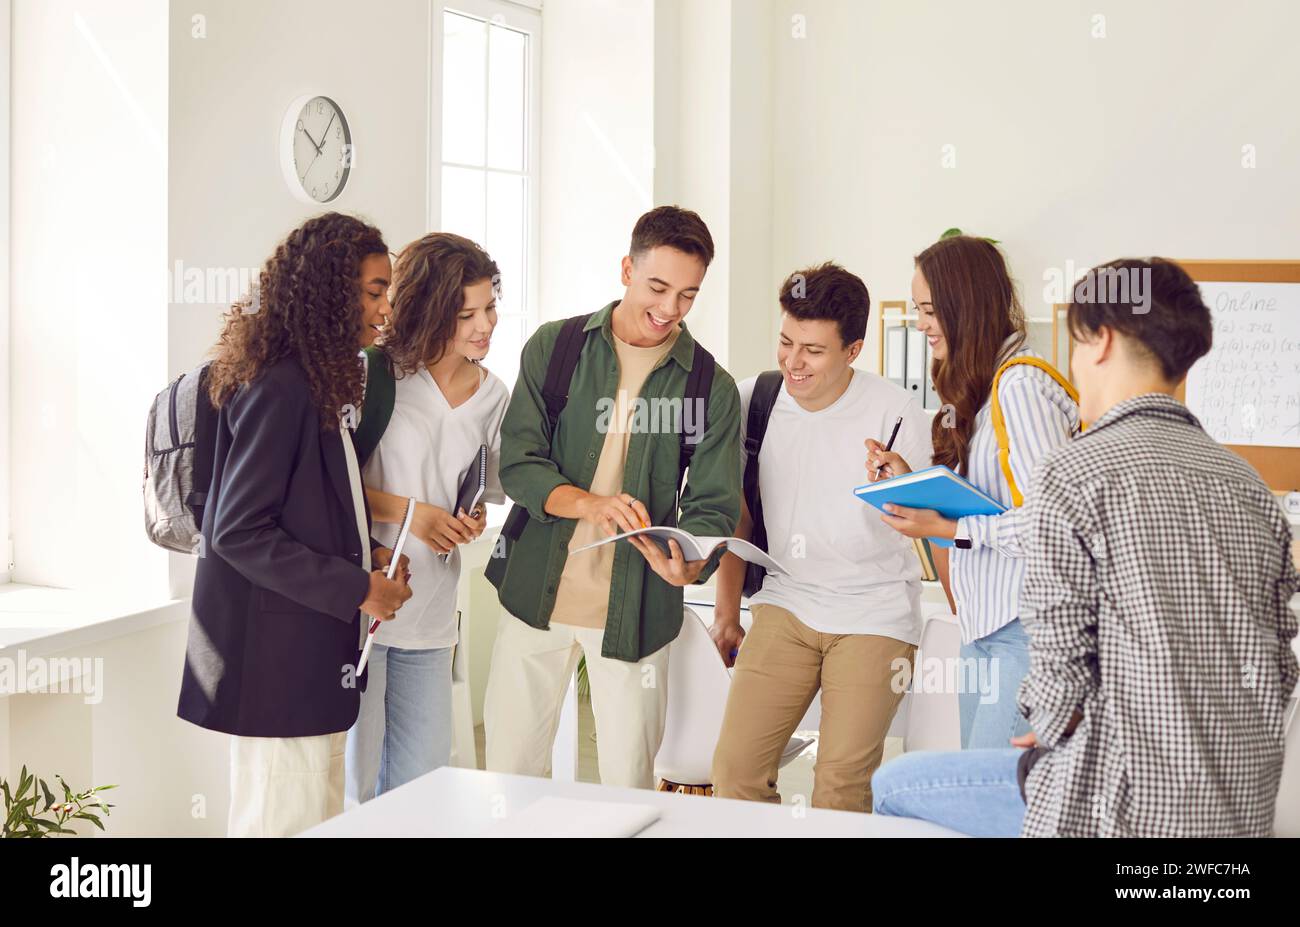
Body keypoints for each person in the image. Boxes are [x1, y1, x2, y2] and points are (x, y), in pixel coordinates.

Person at [871, 257, 1300, 837]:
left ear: (1100, 341)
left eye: (1073, 346)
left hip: (1114, 808)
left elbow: (1058, 663)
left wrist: (1049, 726)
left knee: (895, 789)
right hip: (1237, 817)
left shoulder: (1077, 472)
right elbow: (1279, 664)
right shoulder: (1247, 486)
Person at [483, 205, 741, 789]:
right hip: (534, 600)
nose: (670, 309)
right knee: (507, 778)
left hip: (636, 612)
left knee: (628, 789)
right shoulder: (557, 347)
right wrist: (588, 504)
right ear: (627, 268)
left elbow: (713, 503)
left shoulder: (710, 386)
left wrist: (692, 561)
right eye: (658, 287)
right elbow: (519, 465)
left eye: (688, 295)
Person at [177, 212, 412, 837]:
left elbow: (311, 509)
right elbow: (238, 532)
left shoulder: (312, 380)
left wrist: (370, 557)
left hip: (304, 664)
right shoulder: (280, 384)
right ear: (330, 292)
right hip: (278, 670)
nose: (385, 308)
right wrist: (358, 588)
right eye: (373, 291)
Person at [708, 263, 933, 812]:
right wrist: (726, 611)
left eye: (813, 349)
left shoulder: (897, 411)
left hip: (872, 611)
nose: (793, 361)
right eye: (786, 342)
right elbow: (737, 514)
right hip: (787, 603)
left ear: (853, 350)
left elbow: (926, 522)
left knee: (840, 784)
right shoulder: (753, 400)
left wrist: (900, 487)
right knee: (735, 772)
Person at [865, 235, 1079, 749]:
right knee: (985, 785)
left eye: (931, 310)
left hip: (1024, 628)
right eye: (918, 309)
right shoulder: (982, 392)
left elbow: (1050, 526)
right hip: (985, 627)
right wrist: (912, 483)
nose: (920, 324)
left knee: (995, 796)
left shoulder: (1020, 389)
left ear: (968, 307)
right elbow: (992, 501)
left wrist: (949, 527)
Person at [345, 233, 509, 804]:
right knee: (353, 789)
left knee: (422, 791)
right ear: (431, 310)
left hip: (433, 612)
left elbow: (482, 491)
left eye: (490, 307)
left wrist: (469, 519)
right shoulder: (373, 375)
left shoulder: (494, 396)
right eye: (466, 314)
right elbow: (326, 490)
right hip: (360, 603)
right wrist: (415, 514)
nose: (484, 325)